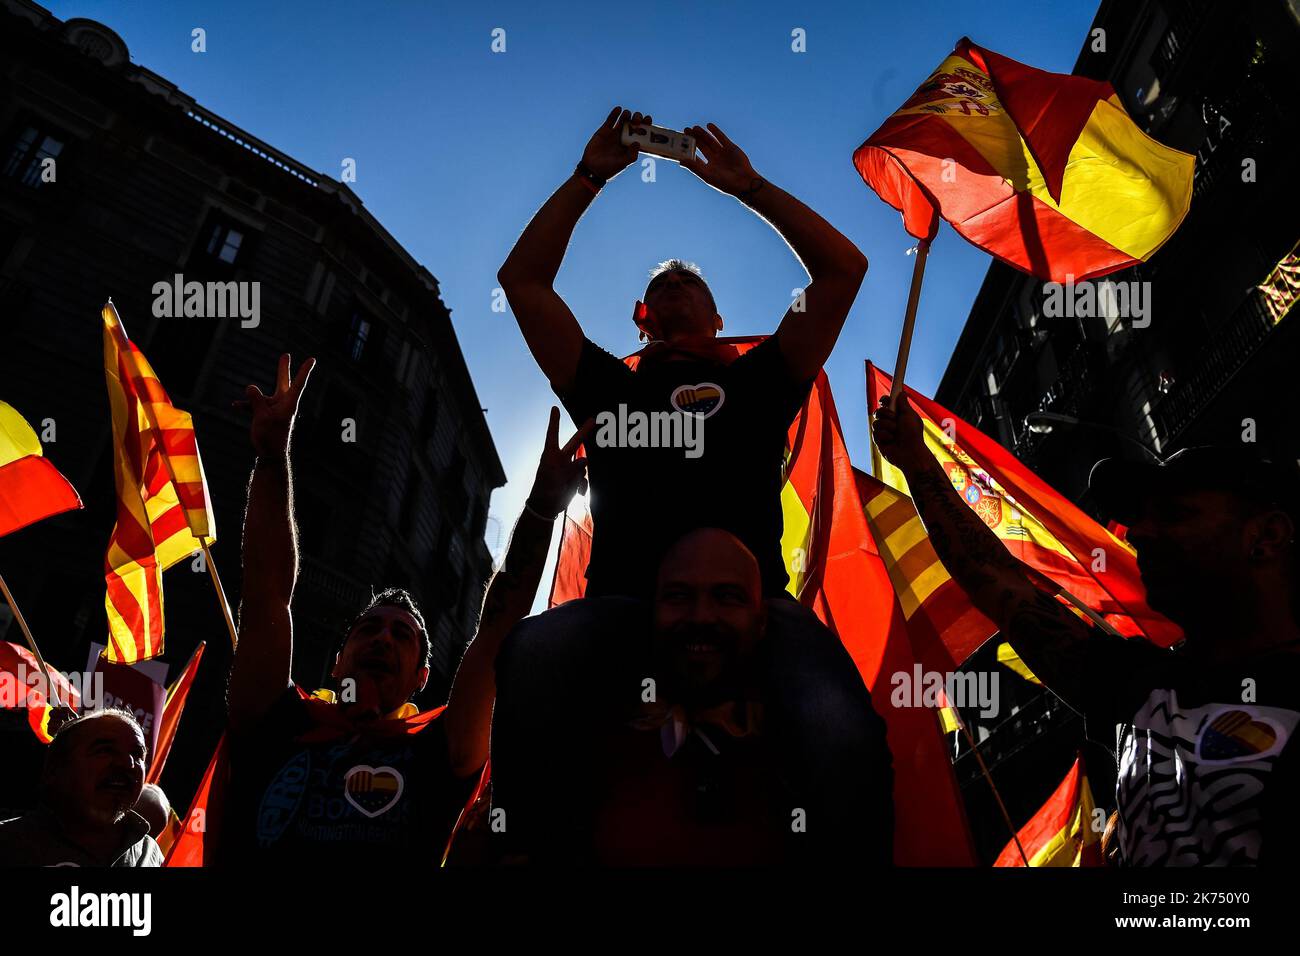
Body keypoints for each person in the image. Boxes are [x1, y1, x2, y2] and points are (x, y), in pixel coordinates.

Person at [493, 106, 880, 858]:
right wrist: (589, 175)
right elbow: (524, 280)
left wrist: (748, 188)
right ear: (642, 319)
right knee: (534, 657)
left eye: (687, 282)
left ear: (718, 315)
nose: (673, 288)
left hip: (758, 612)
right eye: (659, 286)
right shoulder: (608, 390)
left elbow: (844, 271)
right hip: (624, 614)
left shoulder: (765, 381)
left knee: (842, 718)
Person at [873, 394, 1300, 866]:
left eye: (1176, 514)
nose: (1137, 533)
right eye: (1141, 517)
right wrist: (915, 460)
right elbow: (995, 578)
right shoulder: (1137, 685)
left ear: (1268, 536)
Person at [225, 355, 589, 867]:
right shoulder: (279, 721)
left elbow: (497, 628)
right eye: (369, 630)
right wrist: (270, 458)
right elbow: (267, 595)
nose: (382, 640)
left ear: (423, 677)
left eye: (402, 636)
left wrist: (541, 508)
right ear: (335, 661)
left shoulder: (438, 752)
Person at [0, 708, 162, 867]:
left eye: (137, 753)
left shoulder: (151, 855)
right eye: (105, 750)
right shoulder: (8, 844)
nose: (128, 763)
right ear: (55, 769)